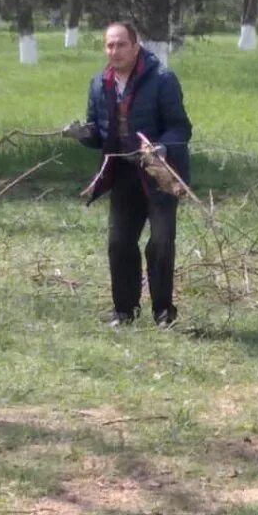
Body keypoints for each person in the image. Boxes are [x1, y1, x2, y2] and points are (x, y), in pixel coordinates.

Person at [64, 22, 192, 327]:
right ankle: (124, 312)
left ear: (136, 46)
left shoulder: (162, 79)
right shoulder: (99, 83)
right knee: (119, 244)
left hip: (160, 174)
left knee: (160, 242)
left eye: (121, 44)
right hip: (122, 174)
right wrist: (82, 133)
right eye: (109, 45)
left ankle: (164, 313)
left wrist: (162, 146)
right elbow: (100, 134)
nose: (114, 51)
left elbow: (181, 127)